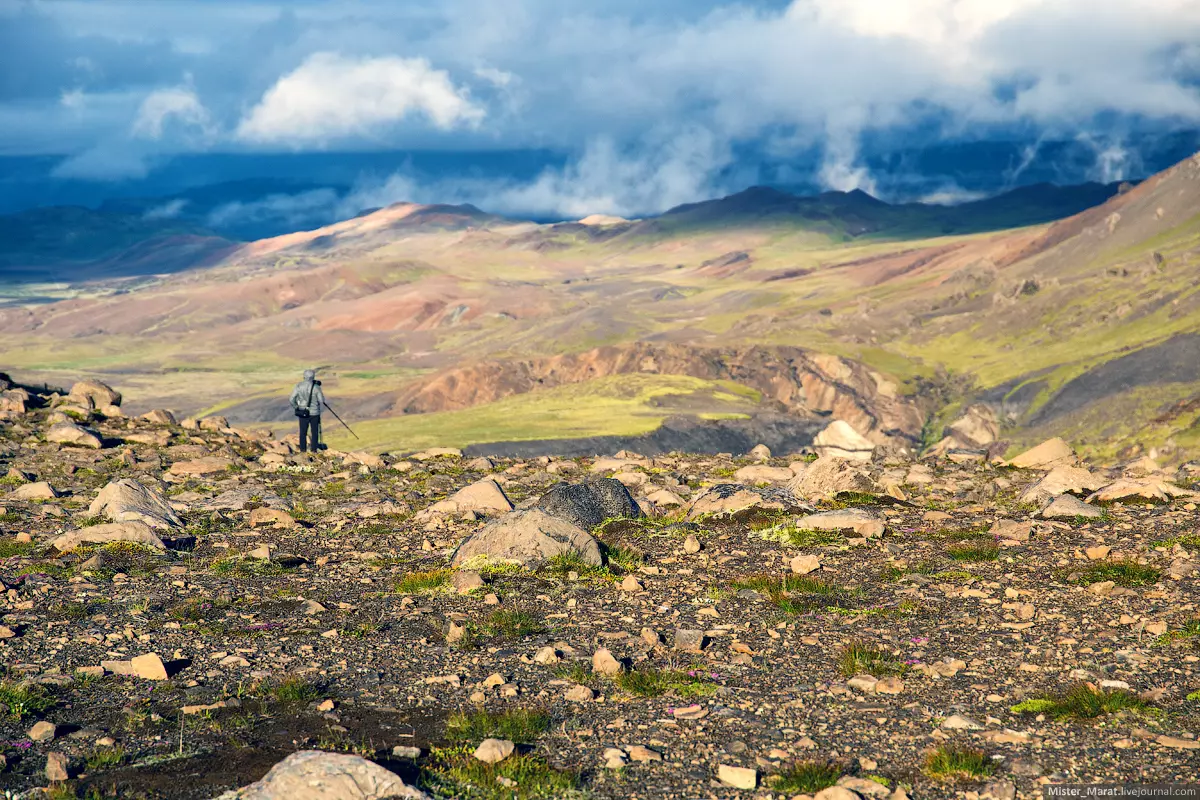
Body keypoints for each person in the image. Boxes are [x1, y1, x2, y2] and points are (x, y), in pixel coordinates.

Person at [289, 369, 326, 453]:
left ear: (304, 377)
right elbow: (321, 400)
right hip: (314, 413)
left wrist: (296, 407)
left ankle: (303, 451)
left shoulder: (298, 386)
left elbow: (291, 399)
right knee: (315, 432)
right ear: (313, 377)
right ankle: (313, 450)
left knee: (303, 433)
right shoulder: (316, 387)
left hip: (302, 412)